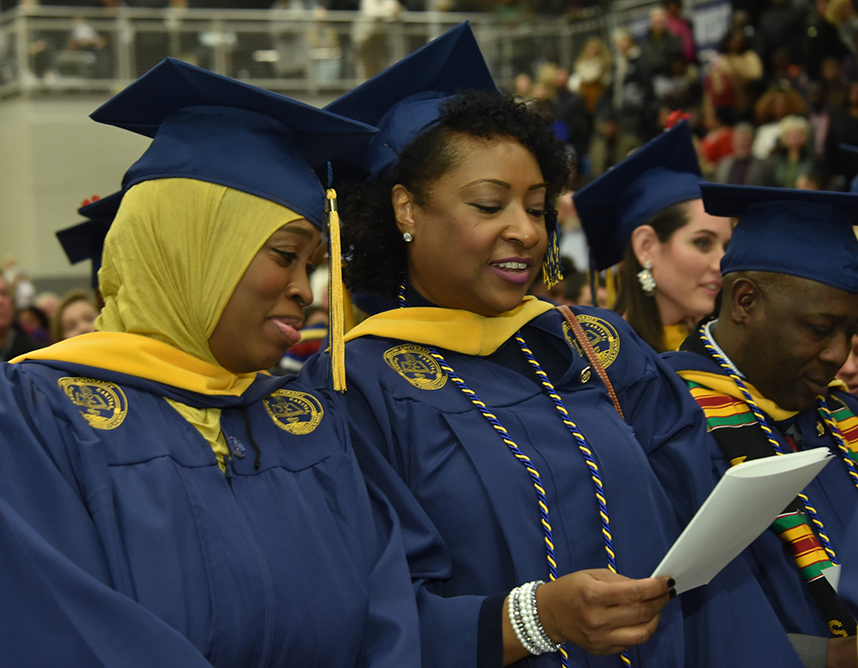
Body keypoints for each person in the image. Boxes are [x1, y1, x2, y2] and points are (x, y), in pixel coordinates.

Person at [315, 23, 800, 668]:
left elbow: (708, 544)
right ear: (406, 210)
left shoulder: (597, 347)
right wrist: (534, 618)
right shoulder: (359, 388)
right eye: (490, 205)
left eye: (538, 207)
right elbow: (370, 612)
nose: (525, 230)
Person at [0, 58, 419, 668]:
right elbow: (55, 634)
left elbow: (386, 616)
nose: (306, 289)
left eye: (312, 263)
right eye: (285, 255)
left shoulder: (309, 418)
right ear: (192, 247)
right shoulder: (37, 411)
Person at [664, 183, 858, 668]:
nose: (839, 355)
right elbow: (663, 609)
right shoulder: (665, 420)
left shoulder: (842, 416)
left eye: (851, 334)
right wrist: (816, 657)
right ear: (745, 301)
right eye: (819, 329)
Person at [574, 121, 732, 353]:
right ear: (646, 246)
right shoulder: (609, 363)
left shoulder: (714, 350)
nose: (722, 263)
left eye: (727, 246)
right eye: (703, 242)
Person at [714, 122, 778, 186]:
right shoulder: (723, 164)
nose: (743, 143)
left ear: (752, 141)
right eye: (739, 139)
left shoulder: (764, 167)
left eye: (746, 140)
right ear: (732, 142)